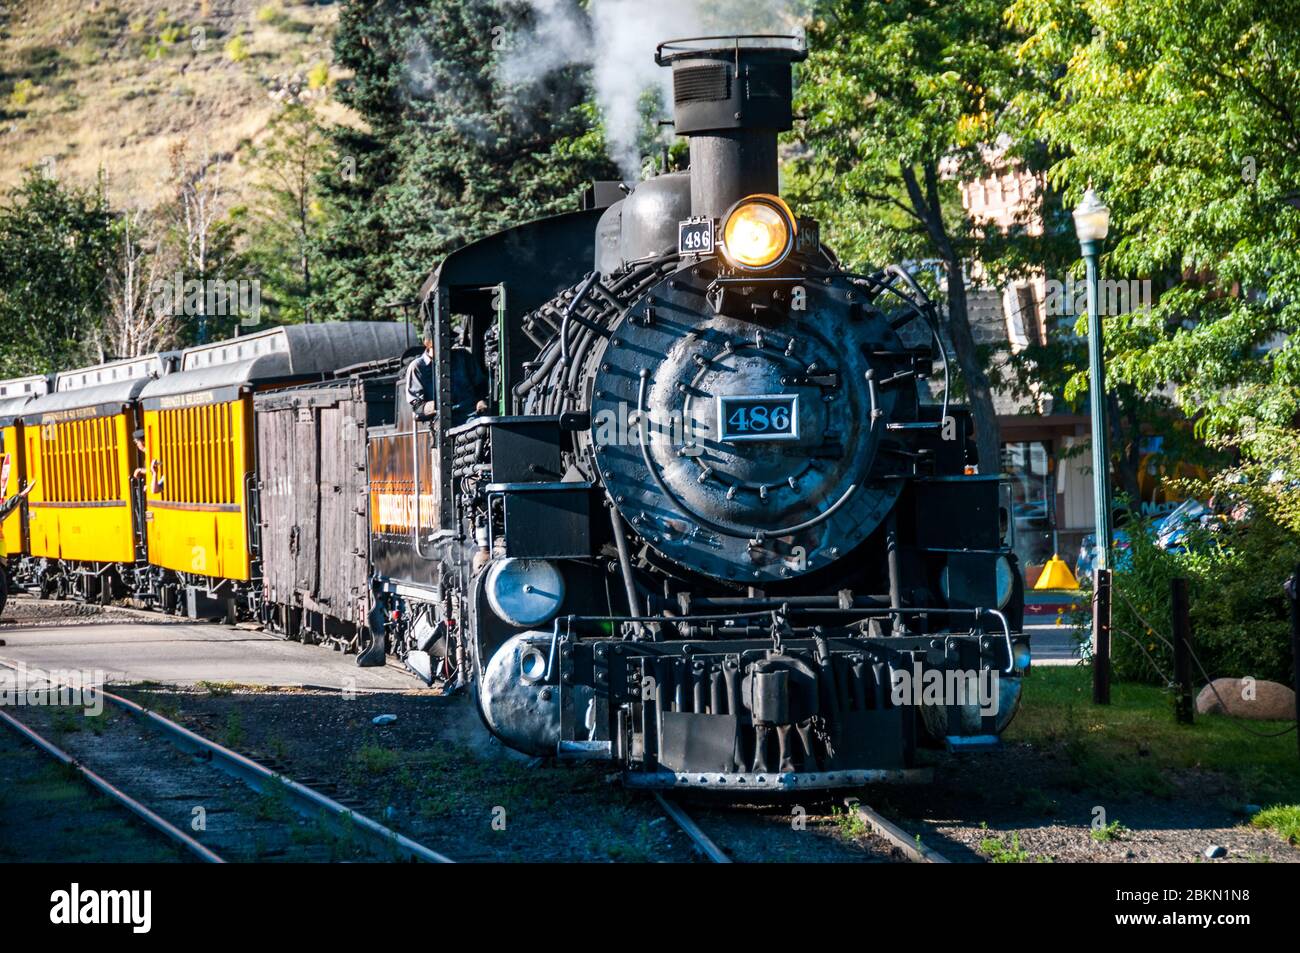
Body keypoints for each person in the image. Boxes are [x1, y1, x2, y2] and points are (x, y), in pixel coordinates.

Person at [407, 330, 489, 426]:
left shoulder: (463, 357)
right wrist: (438, 405)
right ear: (427, 343)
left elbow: (481, 386)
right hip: (444, 424)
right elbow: (417, 406)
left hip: (473, 418)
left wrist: (481, 401)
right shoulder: (417, 367)